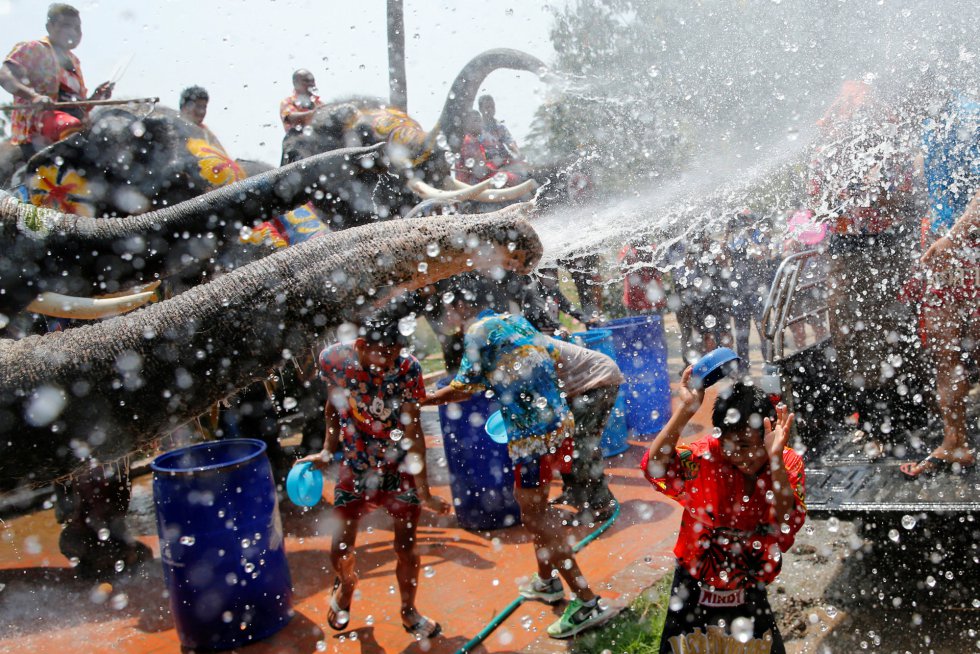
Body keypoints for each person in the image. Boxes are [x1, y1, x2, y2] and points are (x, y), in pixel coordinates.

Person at [422, 295, 613, 639]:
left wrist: (422, 398)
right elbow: (548, 358)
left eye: (444, 313)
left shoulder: (478, 330)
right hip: (556, 425)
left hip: (532, 440)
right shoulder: (513, 321)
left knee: (536, 515)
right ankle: (546, 582)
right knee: (533, 507)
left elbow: (464, 387)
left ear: (456, 308)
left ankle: (586, 602)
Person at [298, 313, 451, 640]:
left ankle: (409, 611)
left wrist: (424, 493)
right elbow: (332, 407)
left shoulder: (408, 369)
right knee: (341, 549)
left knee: (406, 548)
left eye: (397, 353)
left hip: (398, 470)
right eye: (385, 355)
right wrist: (327, 450)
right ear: (362, 346)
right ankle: (346, 584)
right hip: (355, 467)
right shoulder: (334, 360)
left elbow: (413, 431)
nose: (391, 362)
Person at [642, 367, 806, 653]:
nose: (741, 456)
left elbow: (786, 518)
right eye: (732, 445)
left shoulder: (785, 461)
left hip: (748, 580)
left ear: (768, 435)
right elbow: (654, 467)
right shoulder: (705, 455)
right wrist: (686, 410)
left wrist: (775, 459)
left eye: (750, 446)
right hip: (694, 578)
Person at [900, 90, 980, 478]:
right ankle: (955, 442)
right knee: (944, 350)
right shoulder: (930, 123)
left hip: (972, 245)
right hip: (942, 246)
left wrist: (956, 237)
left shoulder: (970, 115)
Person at [0, 3, 113, 157]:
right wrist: (34, 97)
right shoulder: (34, 48)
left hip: (70, 123)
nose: (74, 32)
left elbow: (74, 106)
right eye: (67, 26)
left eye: (78, 27)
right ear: (49, 27)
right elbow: (5, 75)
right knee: (73, 127)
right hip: (39, 127)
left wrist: (95, 98)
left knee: (109, 130)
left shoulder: (74, 62)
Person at [549, 336, 622, 521]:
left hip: (599, 380)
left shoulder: (525, 351)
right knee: (564, 442)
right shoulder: (517, 344)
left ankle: (600, 505)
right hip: (582, 386)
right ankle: (574, 493)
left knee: (580, 447)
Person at [478, 94, 522, 168]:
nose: (490, 109)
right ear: (480, 109)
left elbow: (510, 142)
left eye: (492, 107)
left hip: (505, 160)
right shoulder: (477, 129)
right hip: (488, 165)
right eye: (487, 107)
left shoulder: (500, 126)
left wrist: (518, 153)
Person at [279, 68, 323, 133]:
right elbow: (291, 118)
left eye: (312, 81)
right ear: (295, 83)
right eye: (306, 81)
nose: (311, 84)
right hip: (296, 140)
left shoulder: (319, 103)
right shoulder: (288, 102)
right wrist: (316, 113)